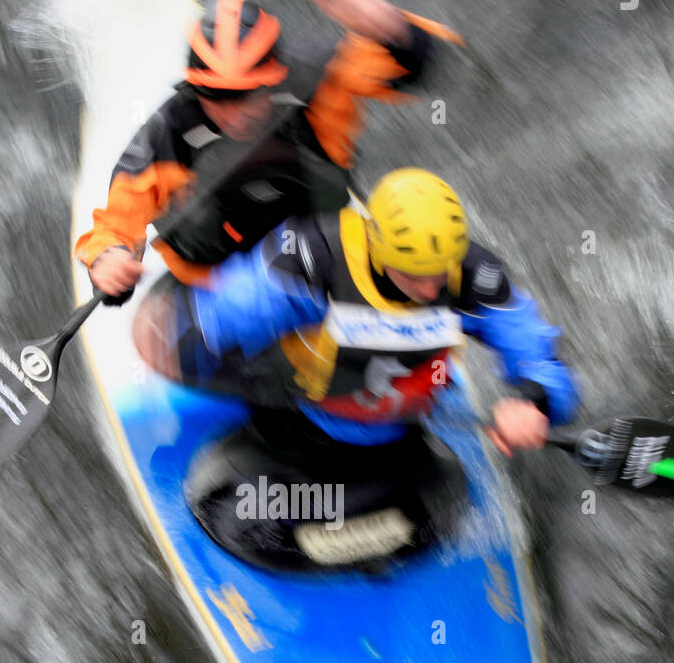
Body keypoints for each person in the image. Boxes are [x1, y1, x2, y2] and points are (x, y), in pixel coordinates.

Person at [130, 168, 581, 569]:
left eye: (439, 272)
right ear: (378, 247)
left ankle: (364, 527)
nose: (431, 288)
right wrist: (178, 335)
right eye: (414, 274)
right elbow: (228, 313)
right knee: (240, 514)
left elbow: (539, 356)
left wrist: (533, 402)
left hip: (398, 436)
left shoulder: (472, 276)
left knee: (434, 507)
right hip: (300, 423)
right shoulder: (314, 260)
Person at [75, 0, 457, 300]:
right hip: (217, 284)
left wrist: (396, 31)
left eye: (249, 93)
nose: (236, 113)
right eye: (217, 97)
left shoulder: (320, 78)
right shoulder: (167, 136)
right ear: (195, 88)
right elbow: (114, 227)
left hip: (324, 253)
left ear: (276, 77)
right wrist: (109, 260)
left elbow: (417, 63)